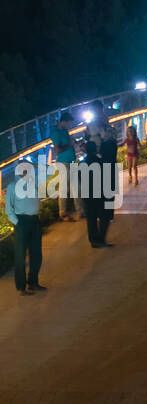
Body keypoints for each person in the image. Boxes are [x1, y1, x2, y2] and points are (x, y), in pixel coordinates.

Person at [5, 164, 44, 295]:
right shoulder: (12, 186)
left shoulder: (33, 183)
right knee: (20, 257)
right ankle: (21, 287)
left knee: (36, 255)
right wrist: (18, 223)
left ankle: (33, 283)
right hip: (22, 222)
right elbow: (9, 210)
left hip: (35, 221)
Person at [78, 140, 114, 249]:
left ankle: (94, 240)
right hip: (99, 194)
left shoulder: (81, 163)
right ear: (95, 149)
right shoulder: (100, 161)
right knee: (105, 217)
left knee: (91, 218)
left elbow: (79, 179)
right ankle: (100, 238)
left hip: (87, 195)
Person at [52, 110, 79, 220]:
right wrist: (70, 144)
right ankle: (63, 213)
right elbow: (57, 151)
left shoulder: (64, 130)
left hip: (71, 161)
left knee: (76, 187)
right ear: (64, 121)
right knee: (64, 188)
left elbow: (70, 144)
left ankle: (80, 210)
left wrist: (76, 143)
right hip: (63, 163)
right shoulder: (56, 133)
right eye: (69, 123)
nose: (70, 126)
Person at [124, 120, 140, 186]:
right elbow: (122, 144)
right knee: (129, 167)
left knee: (134, 166)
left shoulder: (136, 139)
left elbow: (140, 146)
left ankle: (136, 179)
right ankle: (130, 176)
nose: (130, 133)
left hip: (135, 154)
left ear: (134, 132)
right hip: (129, 155)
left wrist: (145, 146)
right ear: (127, 132)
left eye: (131, 131)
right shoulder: (126, 139)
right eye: (129, 131)